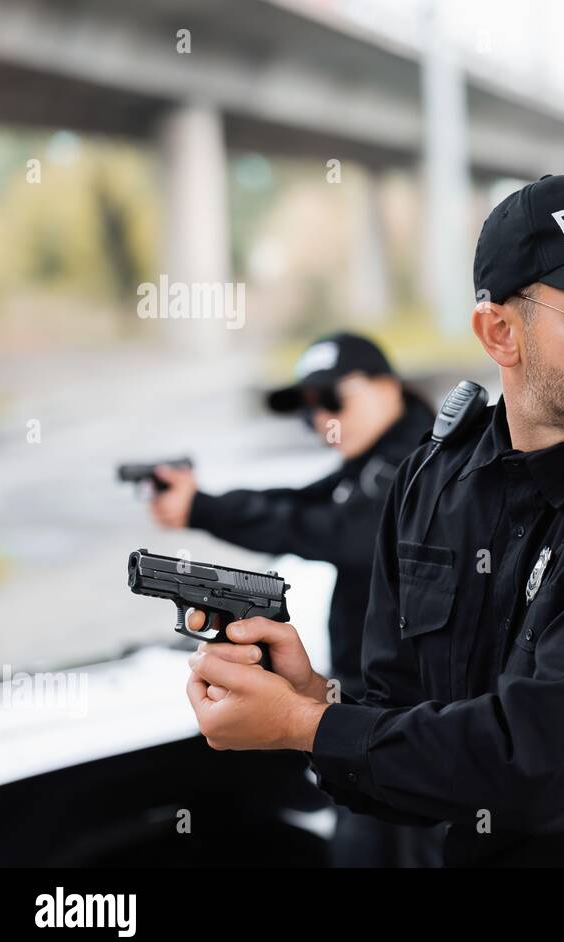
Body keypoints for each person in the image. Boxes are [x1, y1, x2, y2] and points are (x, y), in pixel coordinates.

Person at [183, 174, 564, 867]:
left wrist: (310, 725)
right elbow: (407, 731)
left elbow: (542, 764)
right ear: (499, 331)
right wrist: (316, 699)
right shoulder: (435, 481)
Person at [151, 331, 436, 866]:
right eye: (307, 410)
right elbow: (297, 500)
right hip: (370, 713)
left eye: (331, 400)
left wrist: (202, 511)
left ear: (386, 386)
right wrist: (201, 503)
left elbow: (335, 531)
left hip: (413, 724)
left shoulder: (425, 463)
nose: (319, 421)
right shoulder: (375, 460)